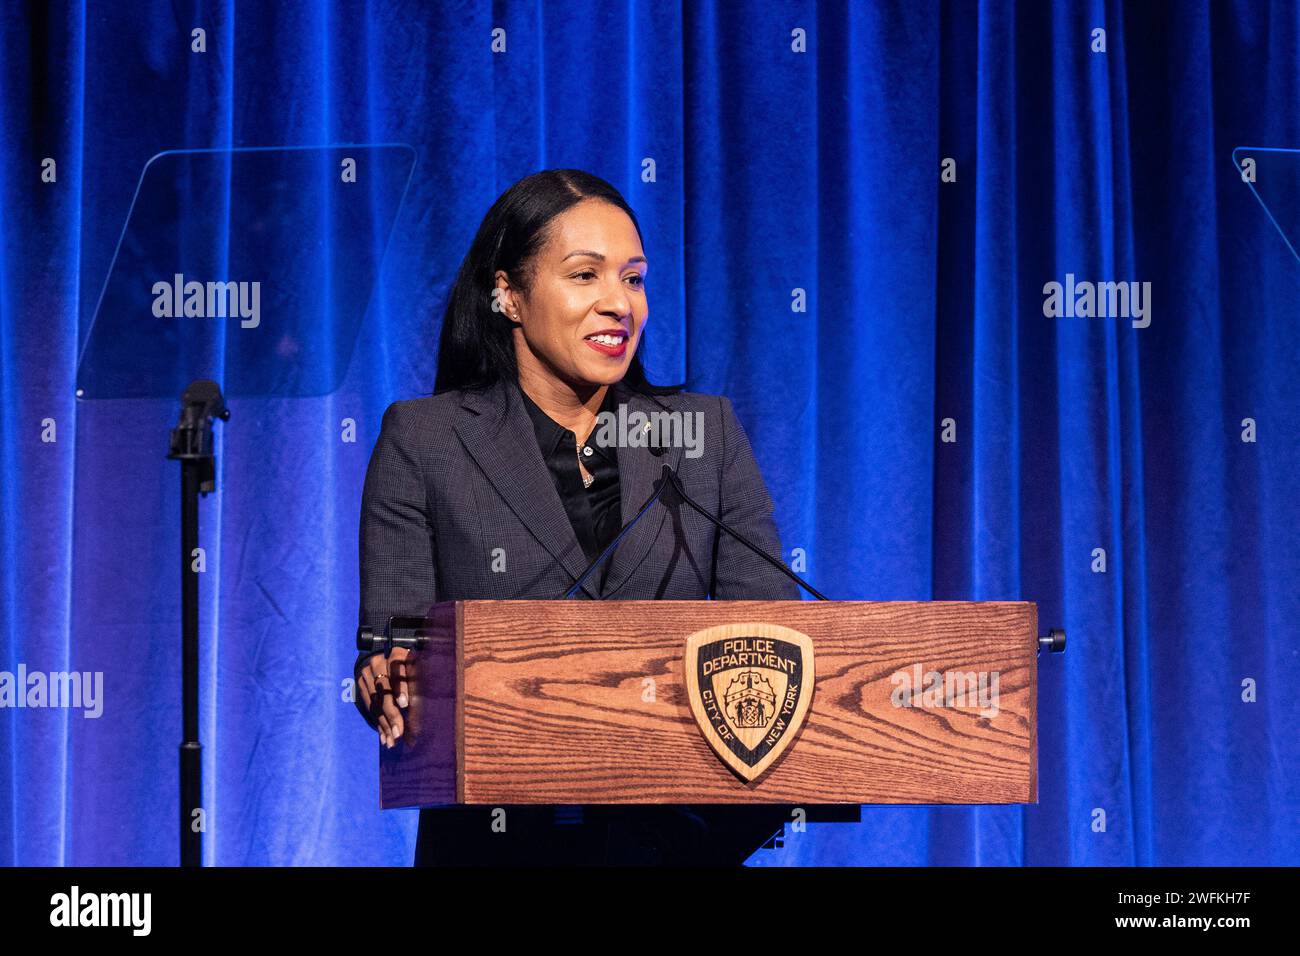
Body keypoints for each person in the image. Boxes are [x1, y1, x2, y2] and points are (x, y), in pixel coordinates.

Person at [353, 168, 799, 865]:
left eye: (634, 278)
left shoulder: (701, 436)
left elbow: (774, 638)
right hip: (497, 847)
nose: (618, 303)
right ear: (508, 294)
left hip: (675, 842)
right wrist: (390, 677)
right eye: (585, 276)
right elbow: (395, 646)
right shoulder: (426, 440)